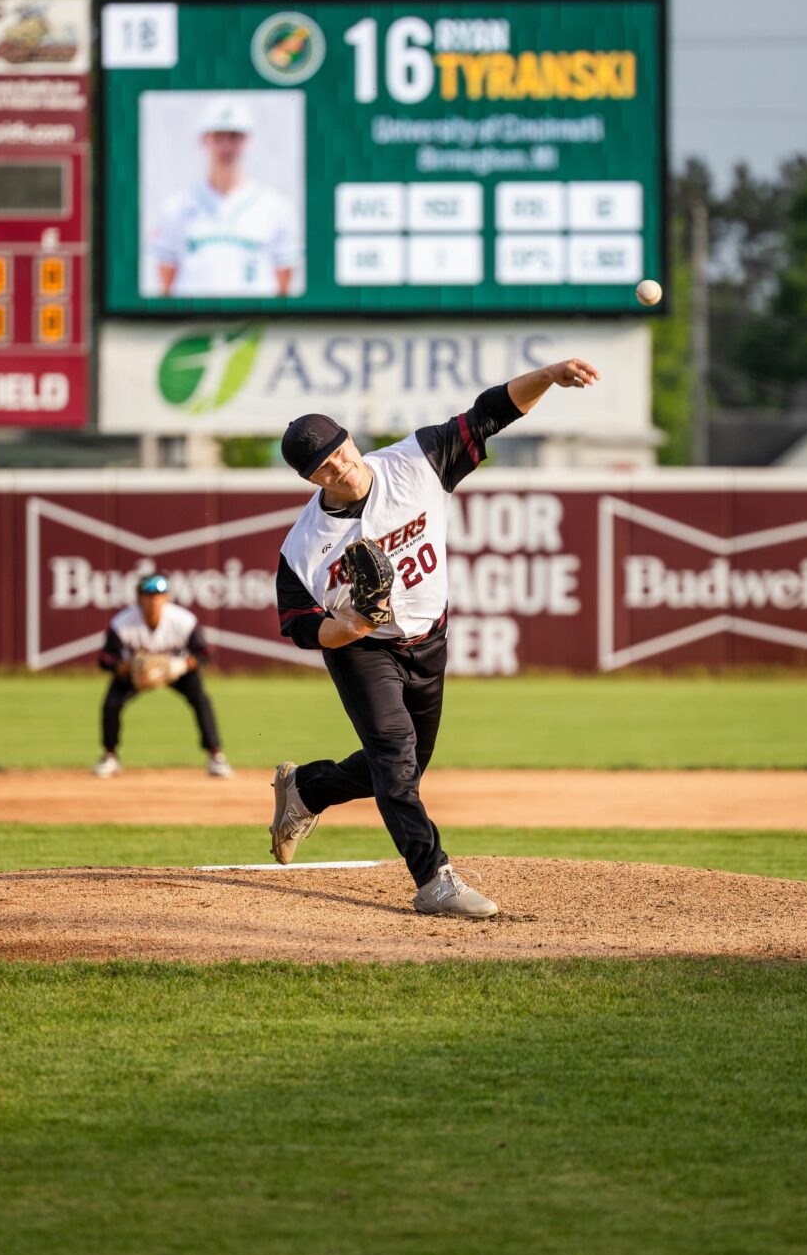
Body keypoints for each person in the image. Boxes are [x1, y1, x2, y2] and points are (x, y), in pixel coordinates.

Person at [270, 358, 599, 917]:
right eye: (325, 469)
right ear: (311, 480)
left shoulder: (415, 460)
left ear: (352, 439)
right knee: (396, 764)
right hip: (364, 651)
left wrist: (547, 376)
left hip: (429, 638)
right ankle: (434, 881)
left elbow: (488, 414)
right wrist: (346, 626)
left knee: (406, 766)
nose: (341, 469)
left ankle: (308, 788)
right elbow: (298, 625)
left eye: (342, 452)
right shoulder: (304, 547)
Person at [150, 96, 300, 299]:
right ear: (204, 140)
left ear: (246, 141)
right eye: (218, 137)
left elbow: (284, 282)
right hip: (194, 320)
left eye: (234, 137)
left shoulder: (275, 206)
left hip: (255, 320)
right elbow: (167, 279)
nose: (226, 146)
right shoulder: (176, 206)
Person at [93, 573, 233, 779]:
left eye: (158, 595)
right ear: (139, 598)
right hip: (135, 673)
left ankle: (216, 756)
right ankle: (110, 756)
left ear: (166, 597)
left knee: (201, 699)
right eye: (148, 595)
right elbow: (105, 659)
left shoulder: (182, 620)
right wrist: (124, 667)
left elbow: (205, 653)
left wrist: (182, 665)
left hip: (176, 671)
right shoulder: (122, 623)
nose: (153, 600)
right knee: (111, 704)